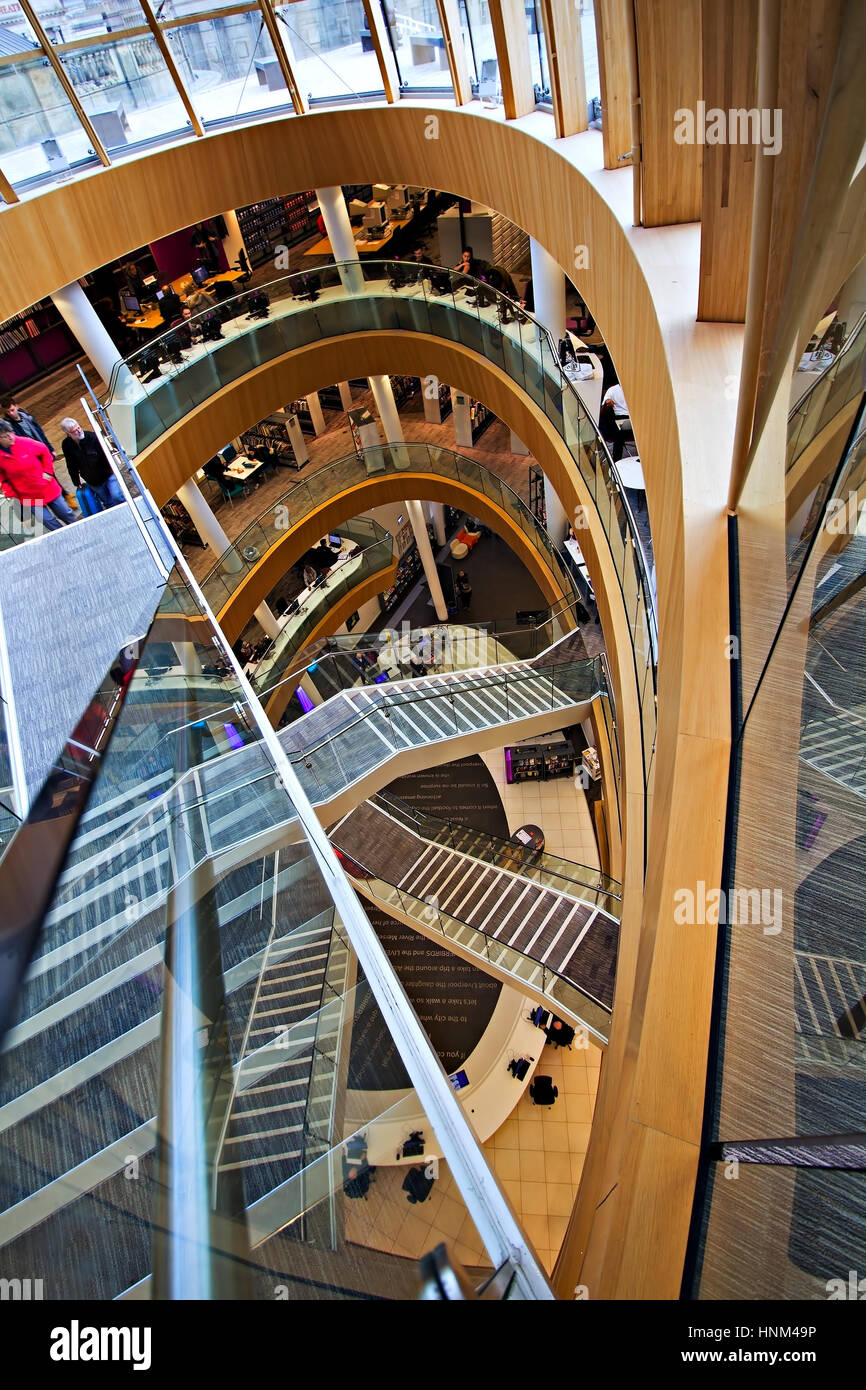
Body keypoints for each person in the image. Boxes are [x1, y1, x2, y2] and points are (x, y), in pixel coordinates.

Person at [0, 422, 76, 530]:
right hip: (28, 497)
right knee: (47, 521)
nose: (11, 437)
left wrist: (48, 472)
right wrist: (10, 492)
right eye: (6, 436)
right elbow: (3, 477)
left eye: (10, 433)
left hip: (47, 488)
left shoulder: (26, 442)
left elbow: (44, 451)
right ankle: (64, 537)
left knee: (65, 513)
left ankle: (79, 530)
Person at [60, 419, 124, 511]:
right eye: (75, 430)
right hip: (92, 480)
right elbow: (71, 464)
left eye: (79, 427)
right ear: (68, 434)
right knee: (107, 502)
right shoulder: (66, 445)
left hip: (107, 474)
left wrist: (112, 450)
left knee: (116, 496)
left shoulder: (92, 437)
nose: (79, 431)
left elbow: (105, 451)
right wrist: (76, 482)